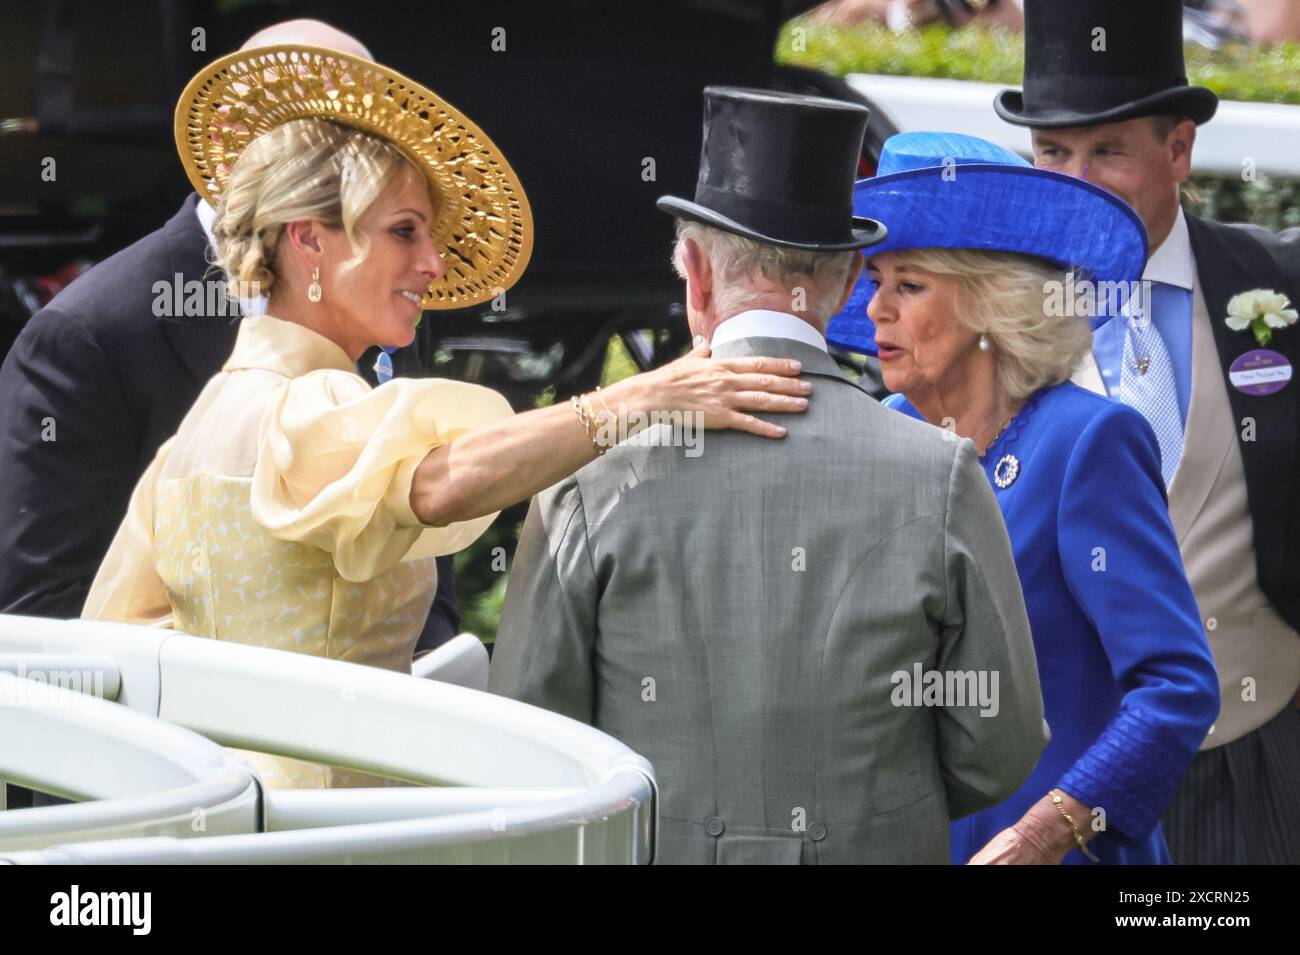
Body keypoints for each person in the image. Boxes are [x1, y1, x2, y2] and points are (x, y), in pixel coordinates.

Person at [80, 53, 812, 790]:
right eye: (404, 231)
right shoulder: (305, 408)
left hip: (225, 826)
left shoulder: (197, 431)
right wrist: (647, 397)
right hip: (342, 833)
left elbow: (114, 640)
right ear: (309, 240)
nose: (433, 262)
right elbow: (439, 483)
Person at [489, 88, 1048, 865]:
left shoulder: (592, 476)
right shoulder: (941, 472)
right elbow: (1000, 743)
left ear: (696, 273)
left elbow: (531, 741)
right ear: (851, 277)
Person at [0, 19, 464, 654]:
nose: (348, 163)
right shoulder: (89, 335)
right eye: (319, 135)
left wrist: (432, 687)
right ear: (226, 135)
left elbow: (423, 536)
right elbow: (39, 620)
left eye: (366, 136)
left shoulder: (381, 288)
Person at [827, 130, 1220, 864]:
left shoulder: (1086, 443)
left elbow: (1178, 686)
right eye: (875, 279)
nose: (876, 309)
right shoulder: (884, 432)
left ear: (992, 302)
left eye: (908, 285)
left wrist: (1046, 833)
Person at [997, 0, 1300, 864]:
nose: (1077, 182)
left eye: (1108, 152)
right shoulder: (991, 320)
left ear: (1179, 150)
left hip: (1254, 759)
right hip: (1062, 788)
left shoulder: (1274, 285)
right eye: (1054, 152)